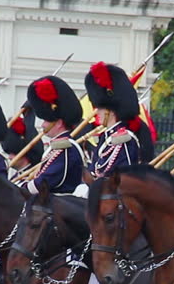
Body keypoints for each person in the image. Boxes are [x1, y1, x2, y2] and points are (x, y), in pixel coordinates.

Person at [77, 62, 152, 190]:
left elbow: (121, 179)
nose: (96, 112)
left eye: (99, 108)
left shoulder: (122, 139)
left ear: (110, 111)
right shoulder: (107, 137)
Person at [23, 76, 84, 195]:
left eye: (46, 120)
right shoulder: (57, 147)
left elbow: (46, 181)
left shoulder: (66, 148)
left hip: (62, 204)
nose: (43, 125)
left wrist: (21, 190)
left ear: (59, 123)